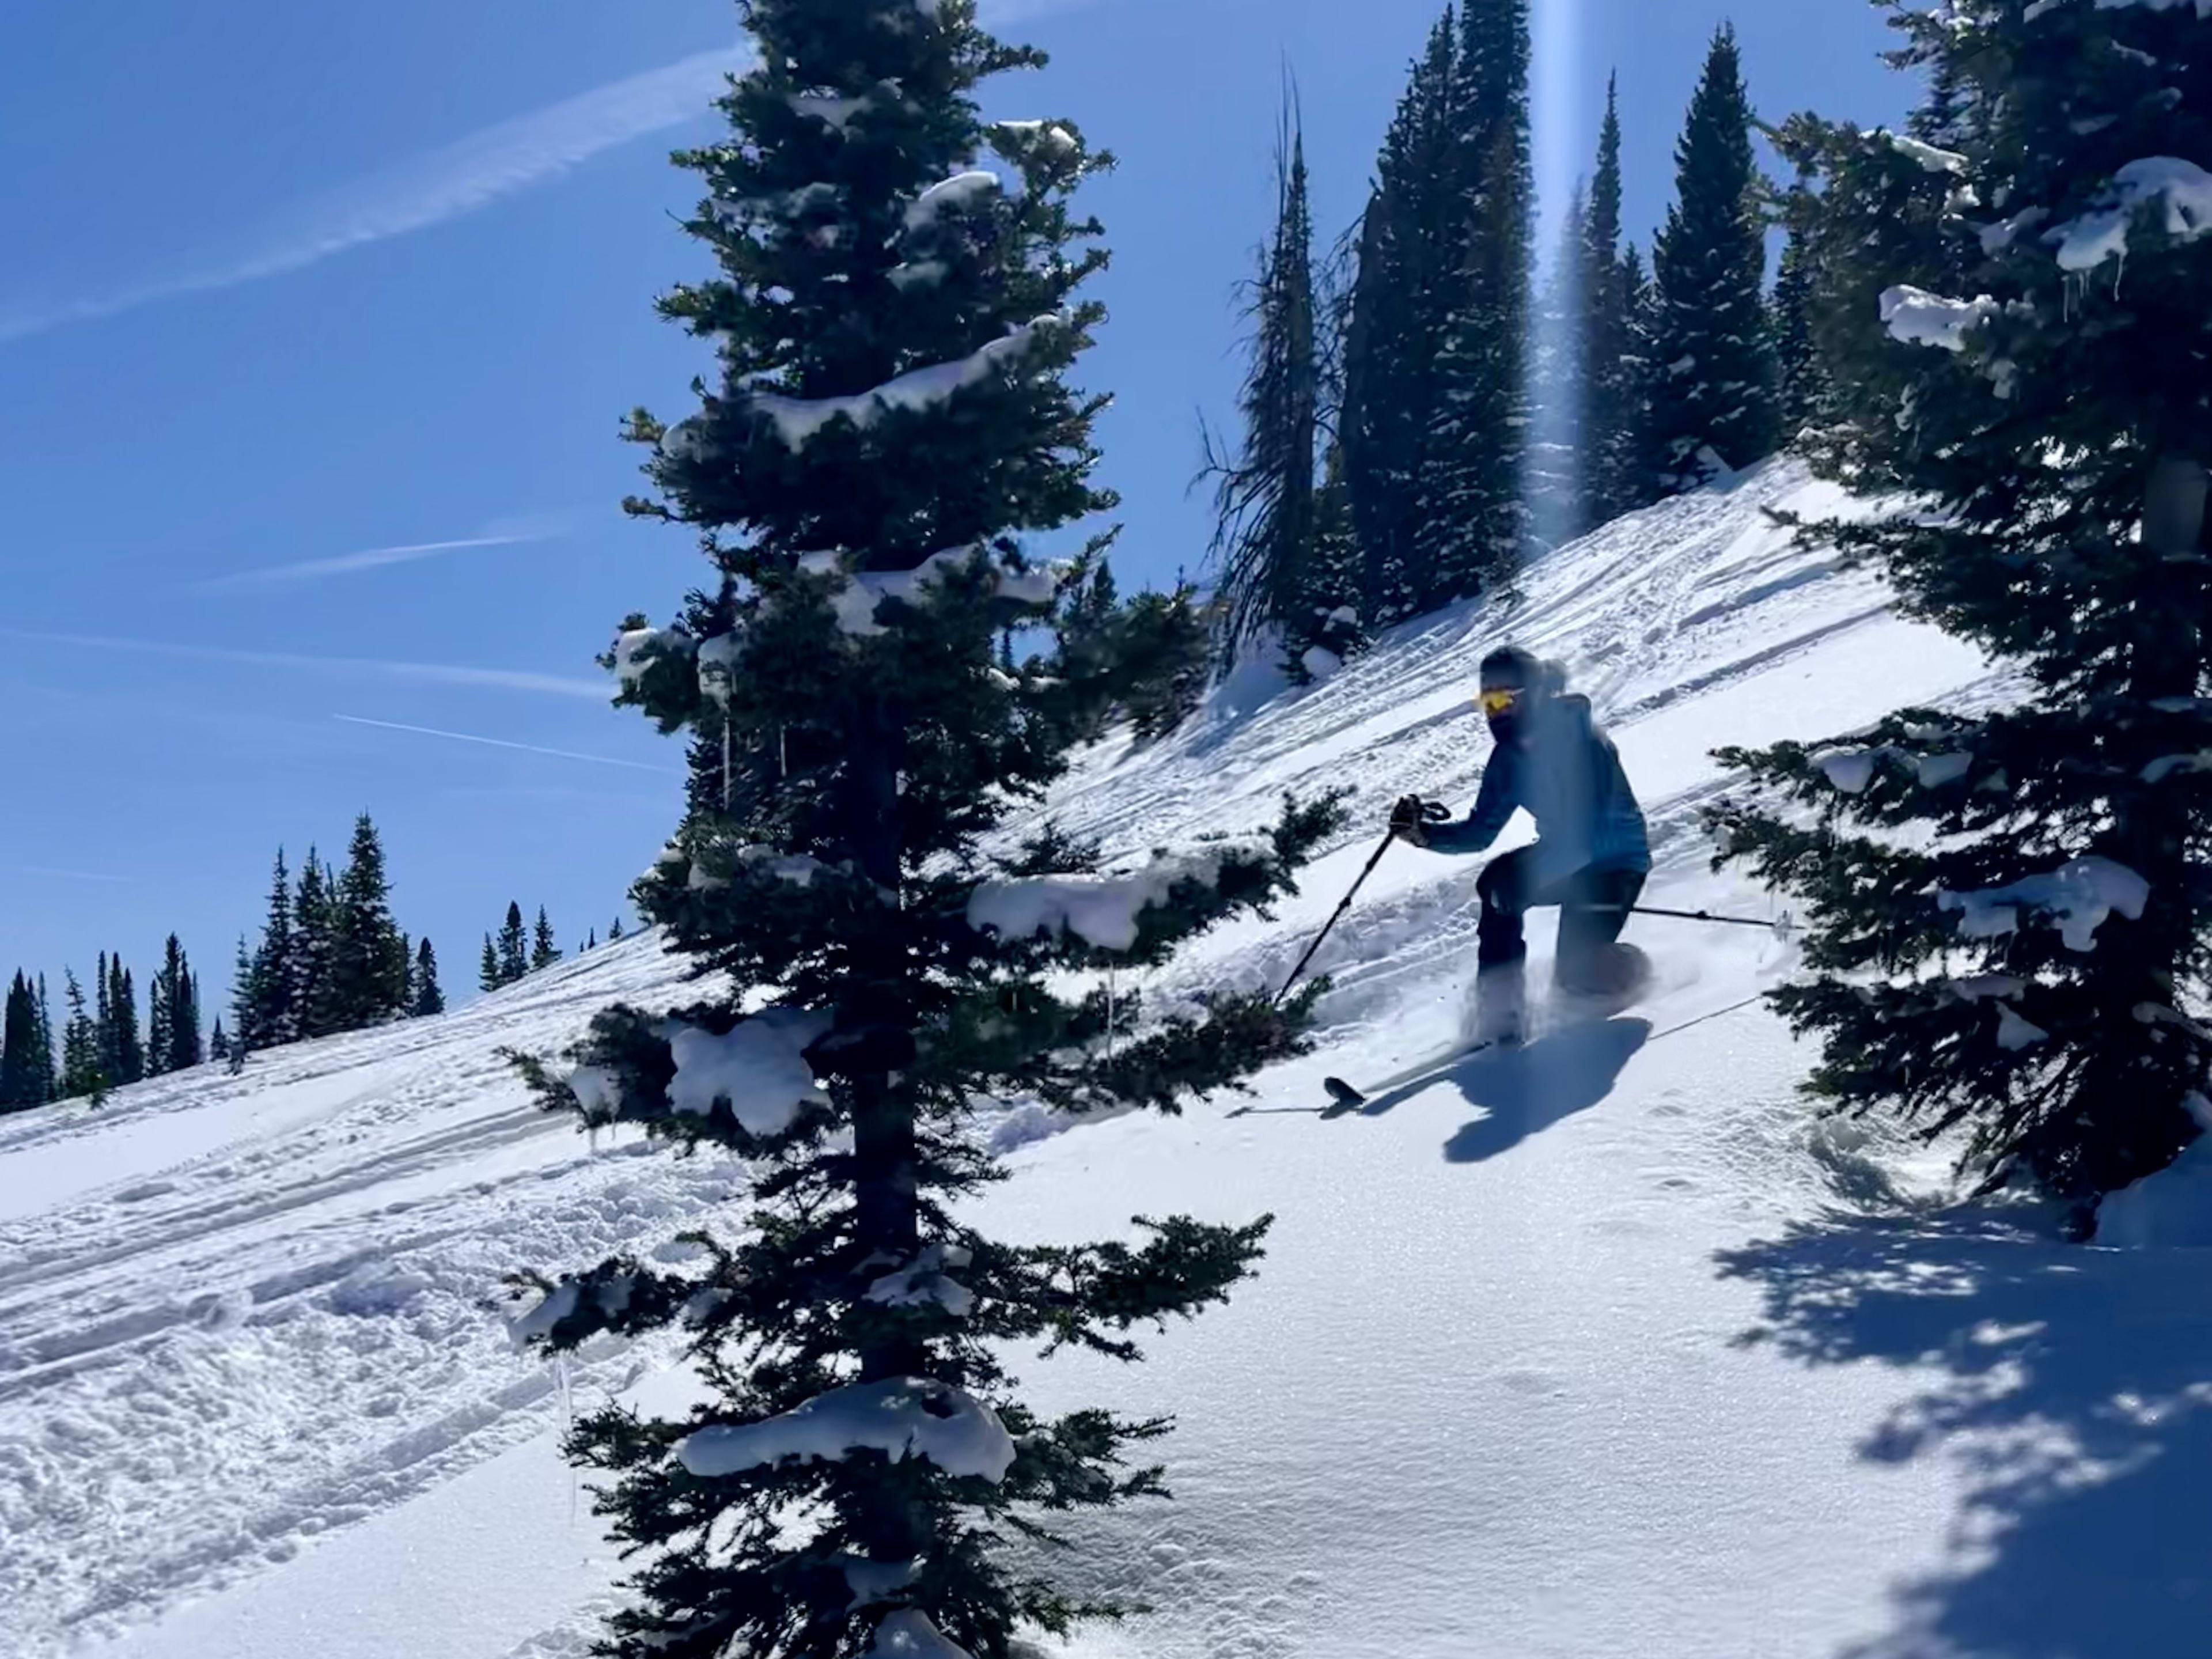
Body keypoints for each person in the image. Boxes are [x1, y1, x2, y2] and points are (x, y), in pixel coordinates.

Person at [1390, 646, 1651, 1046]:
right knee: (1495, 884)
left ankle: (1638, 971)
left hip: (1613, 865)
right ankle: (1500, 1009)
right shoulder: (1508, 759)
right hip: (1566, 859)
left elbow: (1585, 840)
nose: (1494, 713)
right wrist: (1424, 835)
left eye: (1502, 700)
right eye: (1486, 703)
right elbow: (1481, 832)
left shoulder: (1582, 742)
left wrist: (1528, 880)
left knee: (1575, 978)